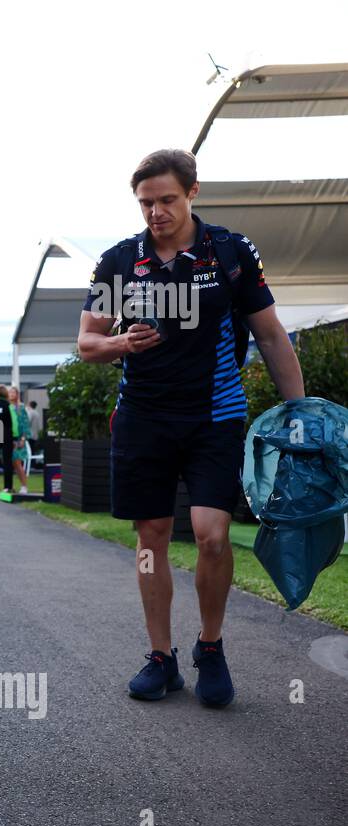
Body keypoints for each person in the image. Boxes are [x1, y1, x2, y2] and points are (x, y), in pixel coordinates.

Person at [78, 148, 304, 707]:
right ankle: (161, 656)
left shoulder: (228, 252)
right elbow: (88, 343)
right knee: (151, 538)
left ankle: (211, 645)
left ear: (193, 192)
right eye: (145, 203)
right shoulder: (119, 262)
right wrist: (120, 343)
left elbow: (272, 336)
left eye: (166, 200)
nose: (155, 212)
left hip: (215, 415)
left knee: (212, 533)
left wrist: (300, 412)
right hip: (143, 420)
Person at [8, 385, 31, 494]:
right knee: (10, 465)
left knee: (18, 464)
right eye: (10, 392)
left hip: (18, 440)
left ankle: (24, 486)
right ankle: (9, 486)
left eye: (14, 392)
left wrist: (23, 438)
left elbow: (26, 424)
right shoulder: (7, 407)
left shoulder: (21, 408)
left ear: (17, 395)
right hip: (8, 440)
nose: (11, 394)